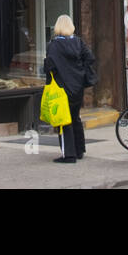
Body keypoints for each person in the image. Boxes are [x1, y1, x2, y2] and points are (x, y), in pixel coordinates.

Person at [43, 14, 96, 164]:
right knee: (75, 118)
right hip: (78, 86)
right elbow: (90, 57)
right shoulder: (78, 42)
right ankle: (79, 150)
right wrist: (80, 71)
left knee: (64, 120)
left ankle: (69, 155)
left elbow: (50, 66)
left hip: (61, 87)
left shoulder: (53, 45)